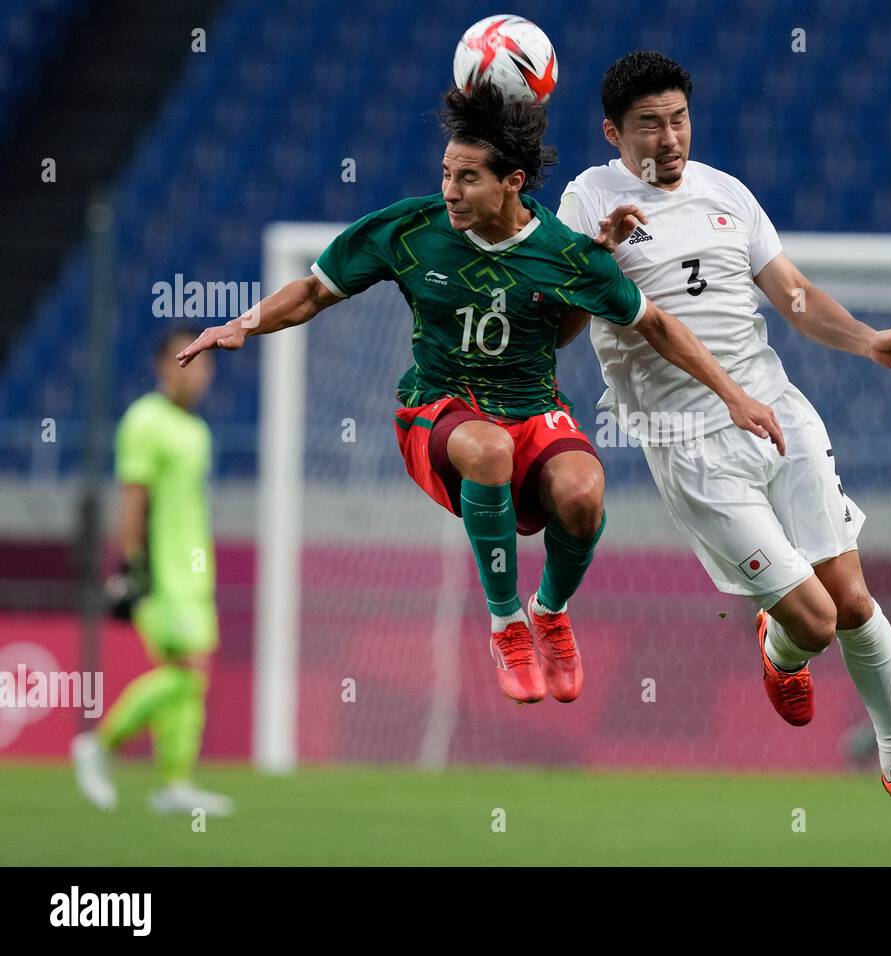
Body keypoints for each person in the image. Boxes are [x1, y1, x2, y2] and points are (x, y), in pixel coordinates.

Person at [176, 82, 783, 706]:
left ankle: (549, 610)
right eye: (445, 173)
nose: (449, 191)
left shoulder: (566, 254)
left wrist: (734, 395)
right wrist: (243, 323)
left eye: (467, 178)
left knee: (582, 490)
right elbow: (312, 290)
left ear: (512, 182)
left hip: (532, 406)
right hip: (436, 410)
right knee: (488, 448)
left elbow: (654, 324)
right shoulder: (408, 230)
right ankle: (506, 623)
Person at [556, 51, 891, 843]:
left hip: (777, 411)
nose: (668, 139)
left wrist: (870, 340)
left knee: (851, 602)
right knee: (809, 618)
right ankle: (780, 653)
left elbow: (795, 299)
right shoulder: (586, 200)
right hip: (690, 440)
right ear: (612, 132)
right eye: (648, 126)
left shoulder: (726, 193)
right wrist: (598, 251)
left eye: (678, 120)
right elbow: (563, 323)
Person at [73, 326, 234, 816]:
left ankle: (174, 785)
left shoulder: (197, 430)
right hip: (161, 572)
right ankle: (99, 744)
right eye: (190, 362)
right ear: (164, 366)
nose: (199, 373)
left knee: (191, 675)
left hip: (193, 571)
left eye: (206, 364)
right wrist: (130, 567)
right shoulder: (145, 421)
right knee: (186, 673)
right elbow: (133, 498)